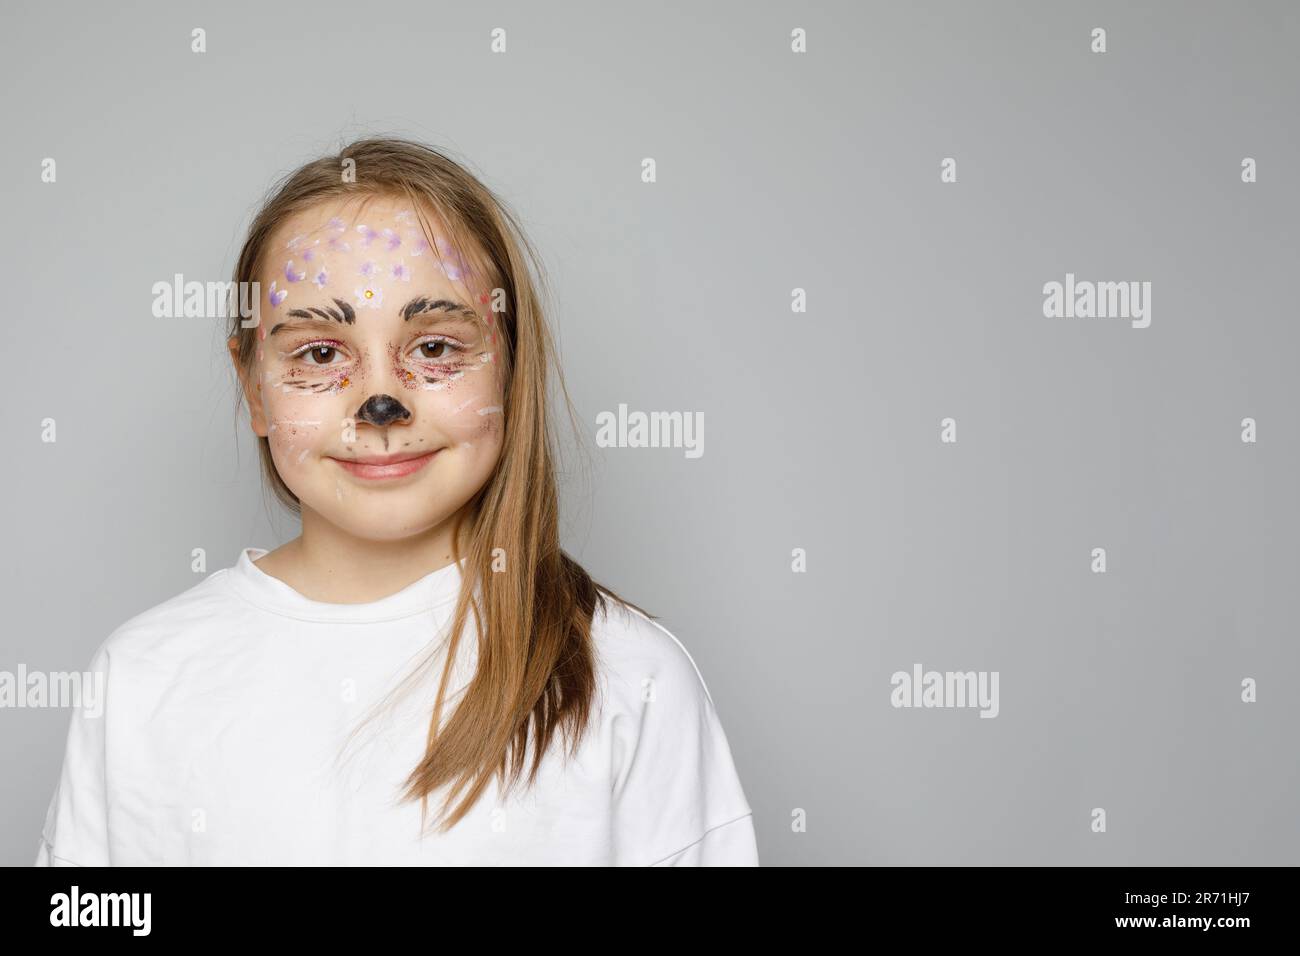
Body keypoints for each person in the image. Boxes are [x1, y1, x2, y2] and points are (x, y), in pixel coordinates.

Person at [34, 138, 757, 866]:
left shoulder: (629, 676)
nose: (381, 405)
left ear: (510, 367)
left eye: (436, 348)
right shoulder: (143, 679)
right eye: (319, 354)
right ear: (254, 385)